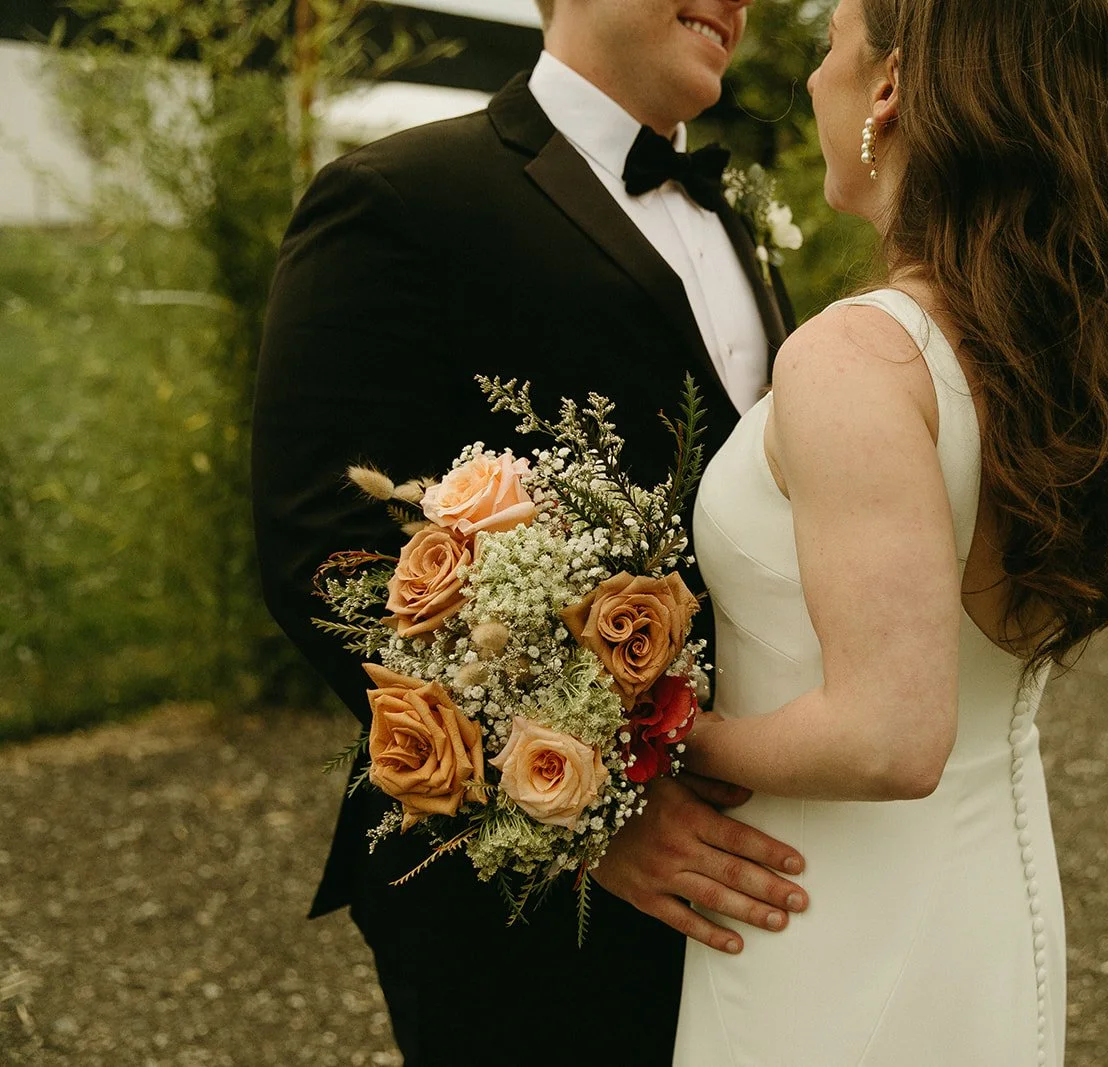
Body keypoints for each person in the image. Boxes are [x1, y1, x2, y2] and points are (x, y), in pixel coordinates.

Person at [251, 1, 811, 1062]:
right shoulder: (396, 197)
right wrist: (588, 809)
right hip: (519, 898)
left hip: (735, 856)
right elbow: (320, 541)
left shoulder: (736, 213)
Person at [672, 0, 1108, 1061]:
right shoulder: (1038, 349)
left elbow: (889, 733)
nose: (813, 74)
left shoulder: (856, 358)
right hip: (981, 885)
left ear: (889, 87)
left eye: (829, 41)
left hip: (827, 922)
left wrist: (665, 736)